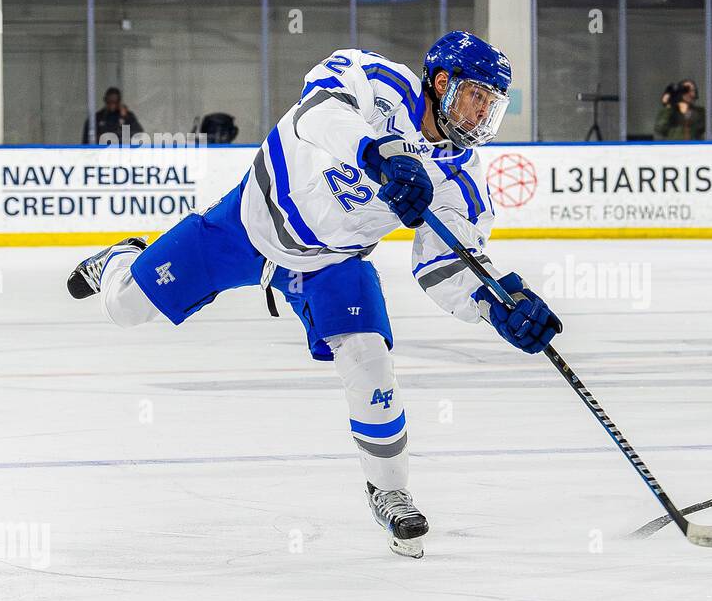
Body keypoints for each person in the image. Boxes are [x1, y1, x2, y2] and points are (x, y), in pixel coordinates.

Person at [65, 32, 562, 560]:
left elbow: (442, 261)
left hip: (330, 262)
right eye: (475, 96)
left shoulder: (459, 178)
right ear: (441, 83)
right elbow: (316, 113)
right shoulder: (376, 80)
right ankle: (120, 259)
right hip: (247, 225)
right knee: (124, 307)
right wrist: (378, 155)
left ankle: (389, 489)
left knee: (368, 354)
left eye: (492, 103)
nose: (483, 114)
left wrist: (497, 304)